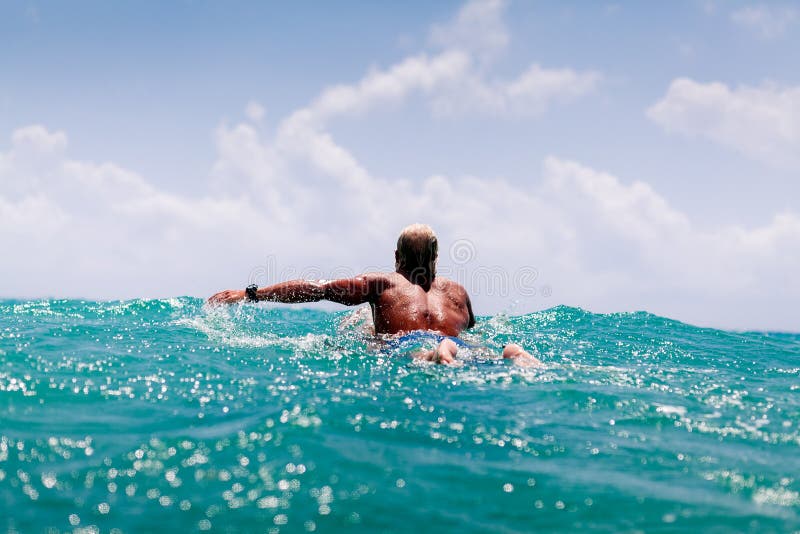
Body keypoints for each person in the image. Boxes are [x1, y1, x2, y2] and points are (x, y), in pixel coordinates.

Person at [208, 224, 540, 365]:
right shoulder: (458, 292)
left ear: (397, 257)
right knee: (483, 355)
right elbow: (475, 328)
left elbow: (316, 290)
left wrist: (249, 294)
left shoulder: (382, 282)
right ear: (435, 259)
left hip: (408, 345)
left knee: (420, 355)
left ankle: (438, 353)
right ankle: (509, 354)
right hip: (468, 347)